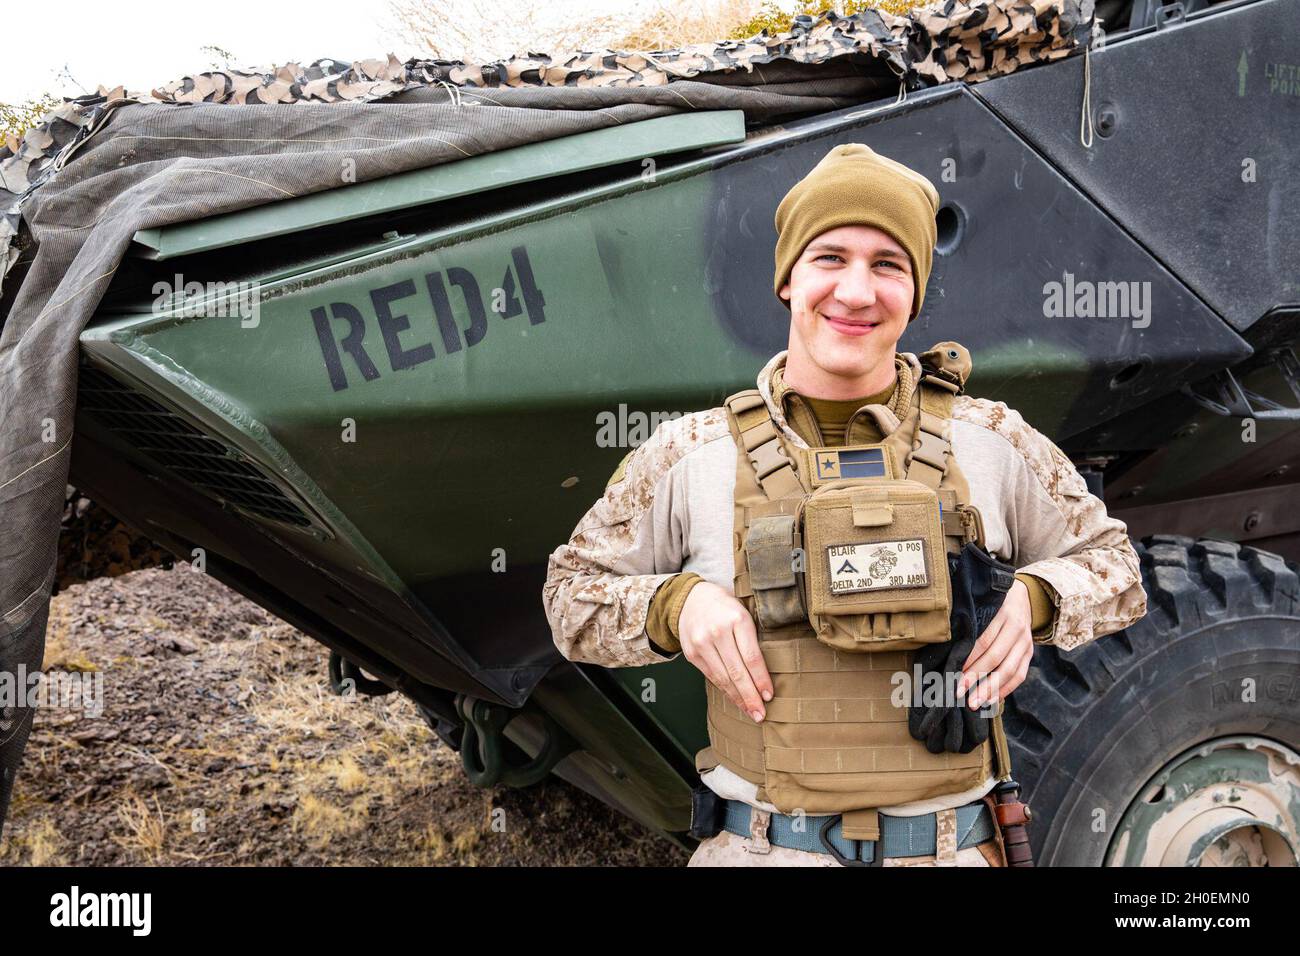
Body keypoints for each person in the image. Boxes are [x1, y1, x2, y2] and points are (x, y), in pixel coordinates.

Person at [542, 143, 1148, 866]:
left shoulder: (992, 440)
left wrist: (1036, 600)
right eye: (829, 258)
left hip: (950, 849)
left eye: (888, 265)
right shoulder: (690, 454)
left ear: (915, 293)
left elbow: (1118, 569)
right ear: (788, 281)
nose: (857, 293)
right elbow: (569, 600)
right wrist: (676, 607)